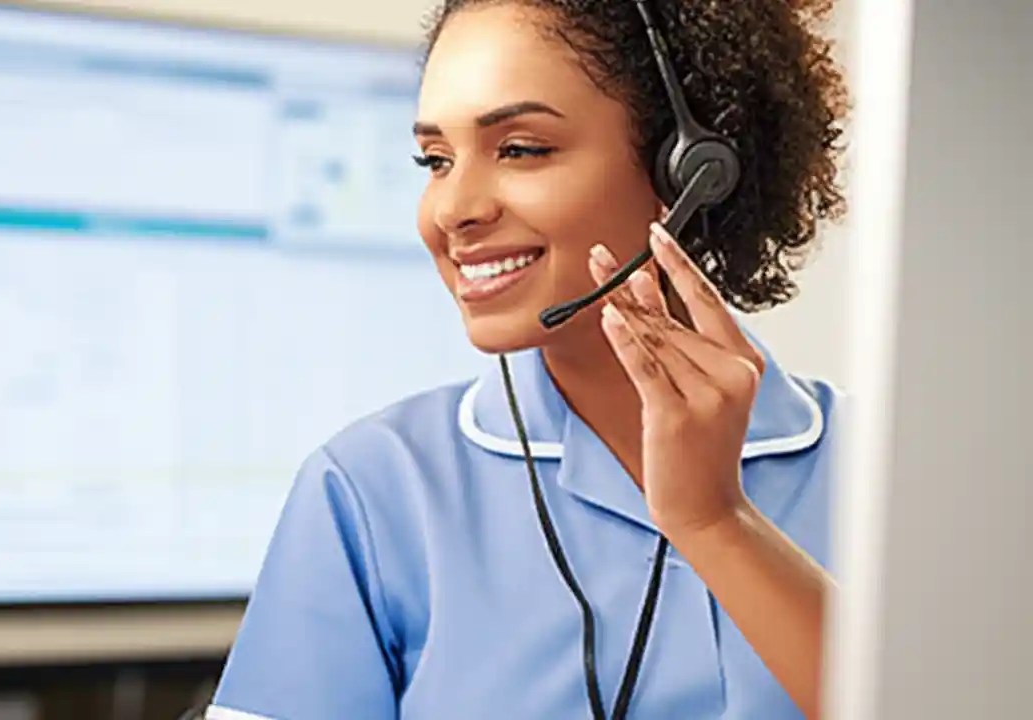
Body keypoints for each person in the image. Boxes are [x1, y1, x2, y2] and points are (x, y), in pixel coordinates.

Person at [206, 0, 848, 717]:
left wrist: (716, 524)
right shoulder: (373, 489)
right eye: (436, 160)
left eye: (520, 149)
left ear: (693, 168)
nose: (454, 209)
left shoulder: (891, 476)